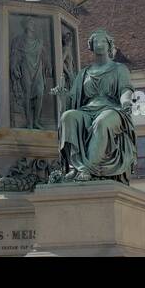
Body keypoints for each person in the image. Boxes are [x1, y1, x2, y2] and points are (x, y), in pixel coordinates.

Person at [51, 29, 136, 182]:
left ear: (109, 44)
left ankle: (89, 168)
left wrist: (126, 102)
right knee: (68, 117)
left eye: (103, 41)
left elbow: (125, 89)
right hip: (87, 110)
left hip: (112, 110)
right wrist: (62, 97)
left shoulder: (119, 69)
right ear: (91, 45)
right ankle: (76, 167)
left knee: (101, 122)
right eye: (96, 41)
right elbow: (72, 99)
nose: (99, 44)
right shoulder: (84, 73)